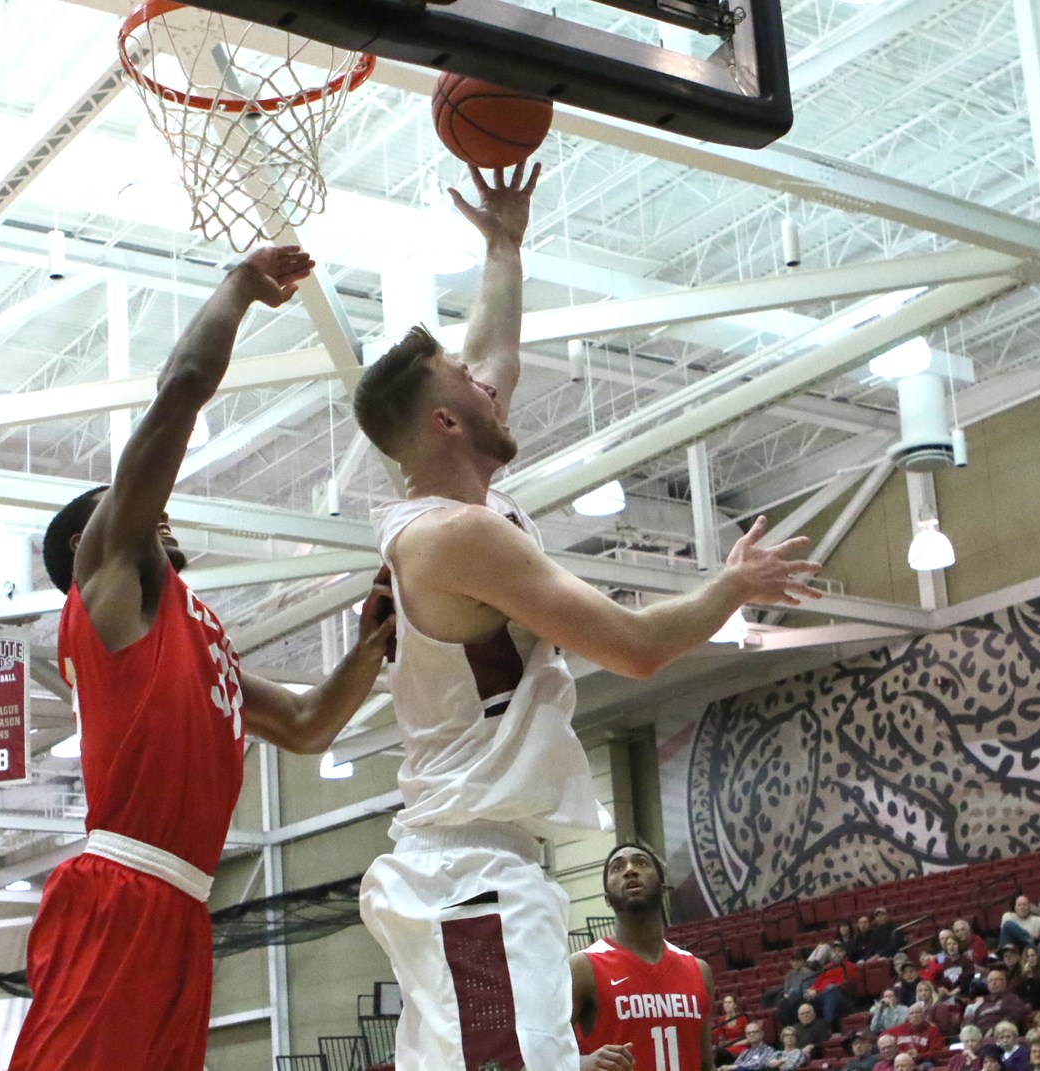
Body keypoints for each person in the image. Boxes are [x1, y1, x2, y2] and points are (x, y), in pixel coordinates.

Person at [352, 164, 821, 1071]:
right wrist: (733, 585)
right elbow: (637, 648)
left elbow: (492, 356)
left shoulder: (451, 510)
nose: (493, 385)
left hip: (469, 871)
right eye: (468, 386)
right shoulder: (454, 537)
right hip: (469, 878)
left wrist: (503, 247)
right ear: (447, 423)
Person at [15, 247, 394, 1071]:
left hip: (184, 902)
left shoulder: (200, 632)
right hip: (120, 888)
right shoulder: (108, 585)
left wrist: (369, 649)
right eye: (140, 505)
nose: (163, 510)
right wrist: (236, 291)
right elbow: (182, 387)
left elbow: (304, 724)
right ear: (93, 539)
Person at [573, 844, 714, 1071]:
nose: (629, 870)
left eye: (641, 863)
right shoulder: (583, 967)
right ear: (607, 898)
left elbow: (706, 1063)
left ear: (663, 887)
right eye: (617, 867)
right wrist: (581, 1064)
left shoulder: (699, 971)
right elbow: (536, 1057)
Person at [972, 969, 1031, 1034]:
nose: (993, 983)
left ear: (1004, 982)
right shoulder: (983, 1003)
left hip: (1001, 1035)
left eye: (997, 979)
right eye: (990, 980)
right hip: (979, 1038)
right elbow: (974, 1023)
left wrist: (995, 1029)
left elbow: (1015, 1015)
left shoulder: (1011, 999)